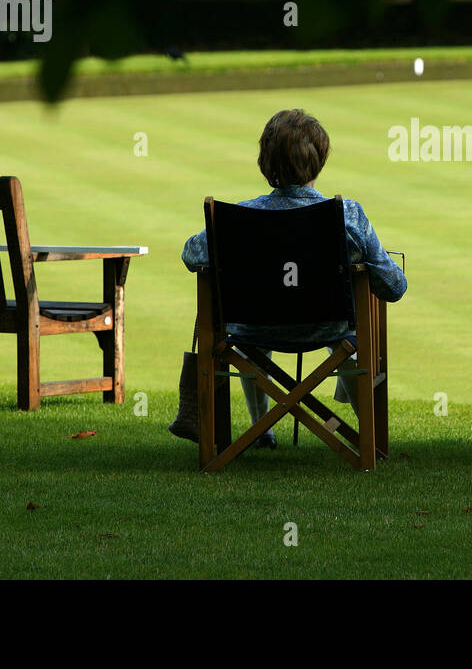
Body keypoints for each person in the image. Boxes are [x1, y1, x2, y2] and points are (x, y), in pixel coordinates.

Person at [169, 108, 407, 447]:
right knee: (352, 342)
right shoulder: (348, 216)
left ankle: (261, 431)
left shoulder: (238, 218)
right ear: (320, 159)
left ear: (265, 162)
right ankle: (365, 442)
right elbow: (394, 287)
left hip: (252, 326)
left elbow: (191, 254)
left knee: (253, 345)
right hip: (331, 329)